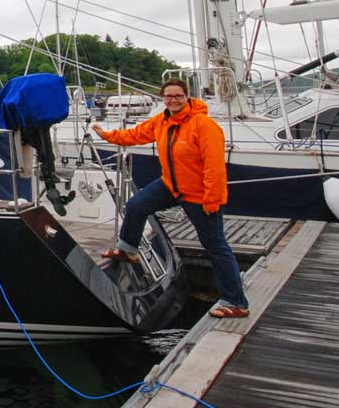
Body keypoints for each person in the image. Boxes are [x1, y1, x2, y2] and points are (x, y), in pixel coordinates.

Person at [90, 77, 249, 319]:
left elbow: (215, 167)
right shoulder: (162, 120)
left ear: (187, 98)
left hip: (199, 194)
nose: (173, 100)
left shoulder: (203, 125)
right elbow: (136, 135)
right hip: (171, 186)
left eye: (178, 96)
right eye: (168, 96)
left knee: (216, 247)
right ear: (163, 99)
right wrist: (108, 135)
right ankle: (128, 248)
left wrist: (212, 200)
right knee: (136, 205)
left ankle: (236, 302)